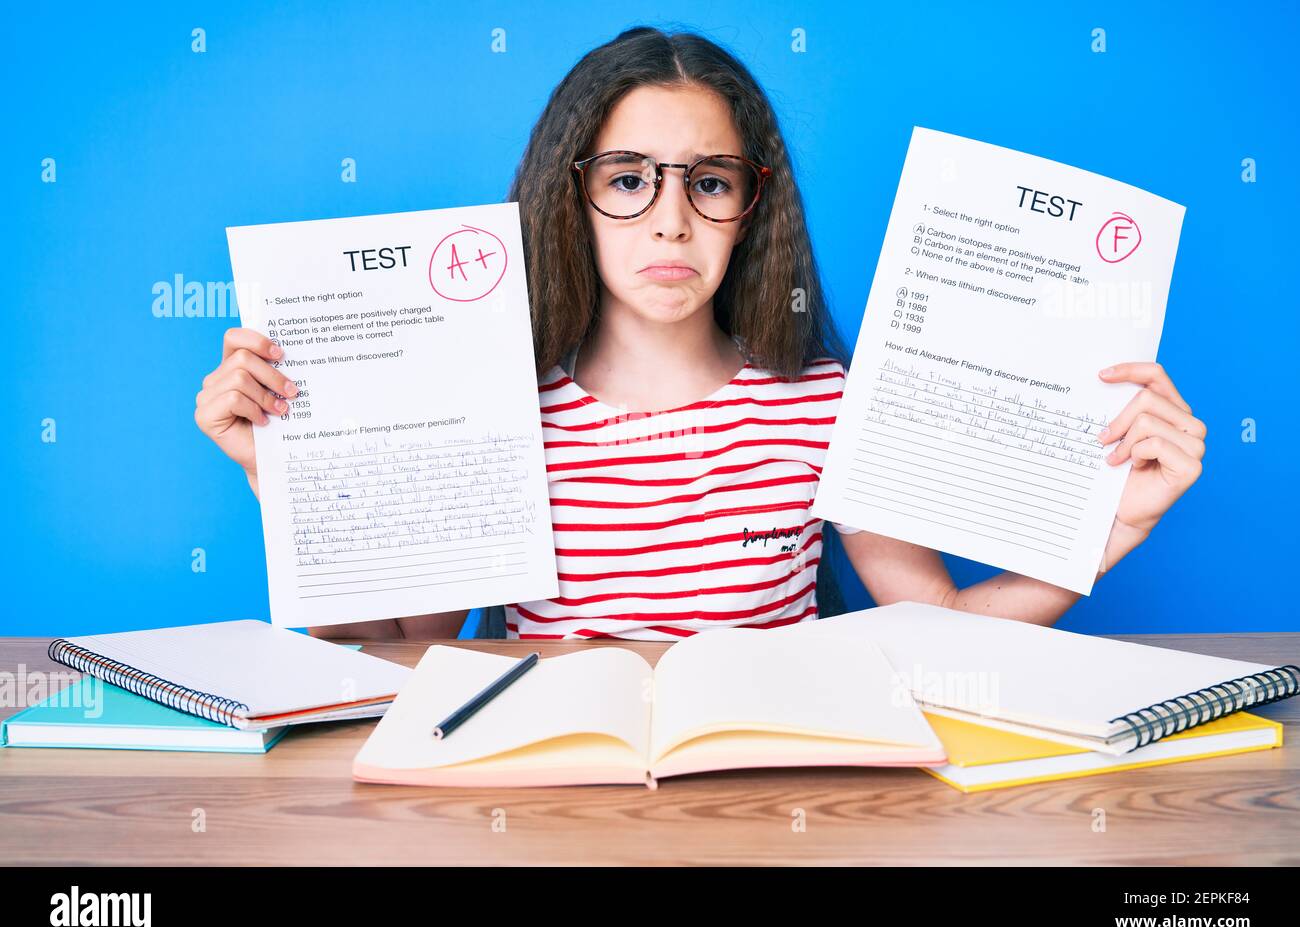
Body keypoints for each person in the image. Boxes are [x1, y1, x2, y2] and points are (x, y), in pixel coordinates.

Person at [195, 26, 1206, 641]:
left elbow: (933, 635)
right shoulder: (493, 411)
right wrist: (290, 475)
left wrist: (1114, 527)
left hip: (775, 807)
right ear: (570, 199)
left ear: (749, 207)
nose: (670, 219)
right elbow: (393, 651)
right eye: (628, 179)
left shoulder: (823, 404)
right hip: (555, 810)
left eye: (708, 181)